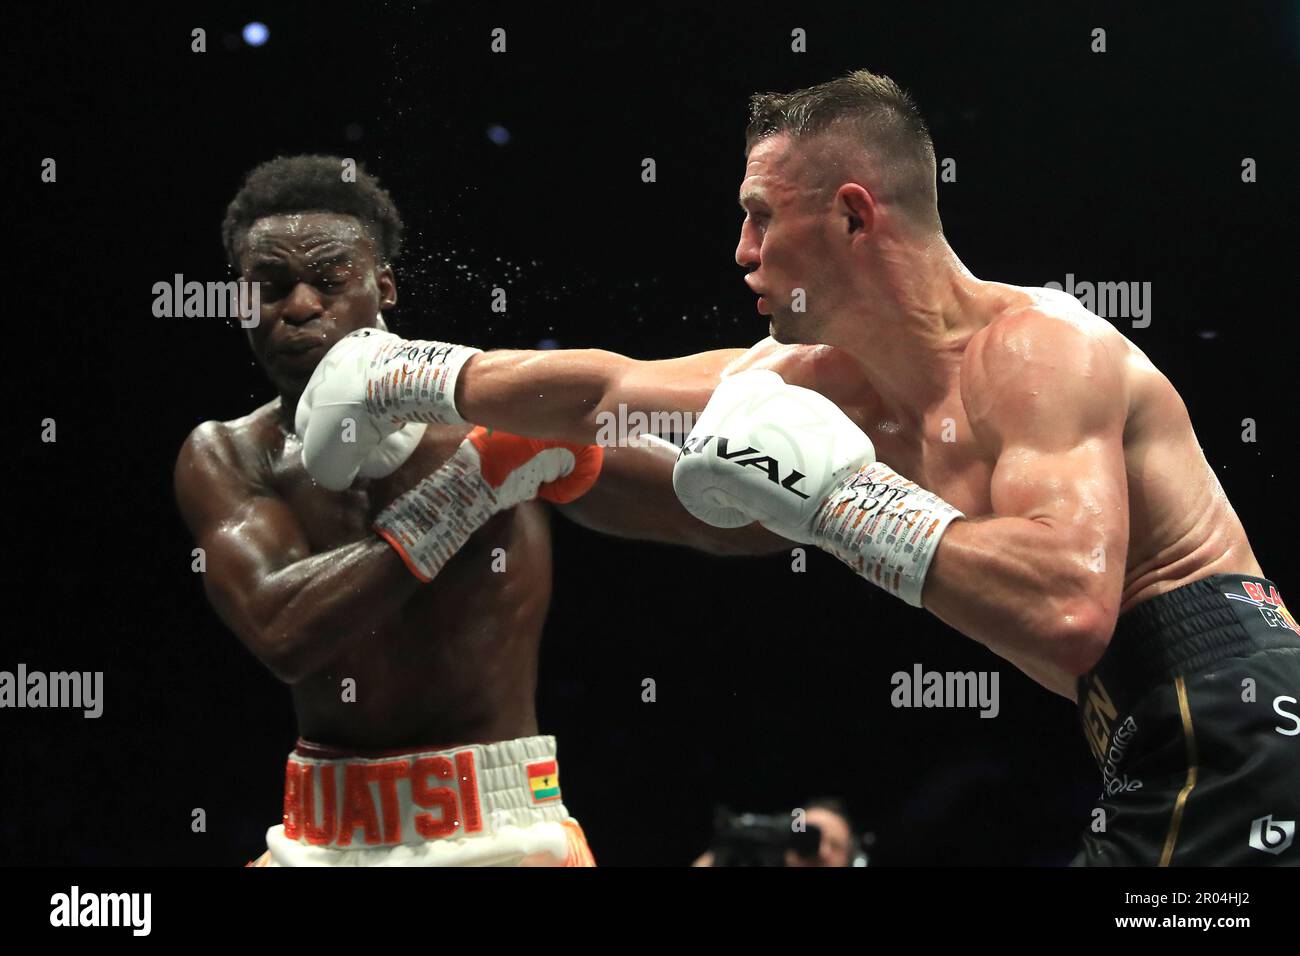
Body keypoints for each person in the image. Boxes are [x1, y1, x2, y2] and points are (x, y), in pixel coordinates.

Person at [297, 72, 1300, 866]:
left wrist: (840, 500)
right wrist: (414, 374)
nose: (740, 249)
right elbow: (607, 391)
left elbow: (1070, 609)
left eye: (761, 215)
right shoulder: (825, 380)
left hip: (1232, 716)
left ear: (856, 216)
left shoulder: (1040, 352)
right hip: (1145, 737)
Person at [175, 155, 782, 867]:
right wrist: (473, 487)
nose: (301, 307)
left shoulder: (498, 419)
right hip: (316, 840)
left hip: (498, 831)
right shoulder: (228, 454)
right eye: (271, 288)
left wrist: (842, 473)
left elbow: (732, 523)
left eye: (331, 281)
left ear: (385, 288)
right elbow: (284, 632)